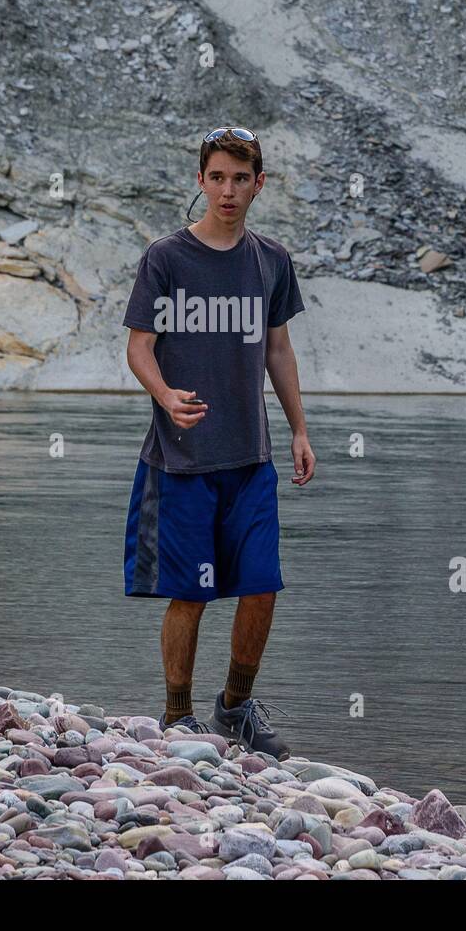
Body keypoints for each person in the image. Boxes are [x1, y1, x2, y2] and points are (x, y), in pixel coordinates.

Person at [122, 126, 315, 760]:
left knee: (261, 587)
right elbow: (139, 347)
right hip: (182, 460)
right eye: (217, 177)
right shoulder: (166, 258)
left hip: (250, 456)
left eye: (240, 178)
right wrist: (166, 395)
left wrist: (299, 430)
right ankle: (176, 716)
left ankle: (234, 708)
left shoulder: (271, 260)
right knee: (192, 592)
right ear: (201, 181)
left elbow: (279, 350)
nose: (227, 190)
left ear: (259, 184)